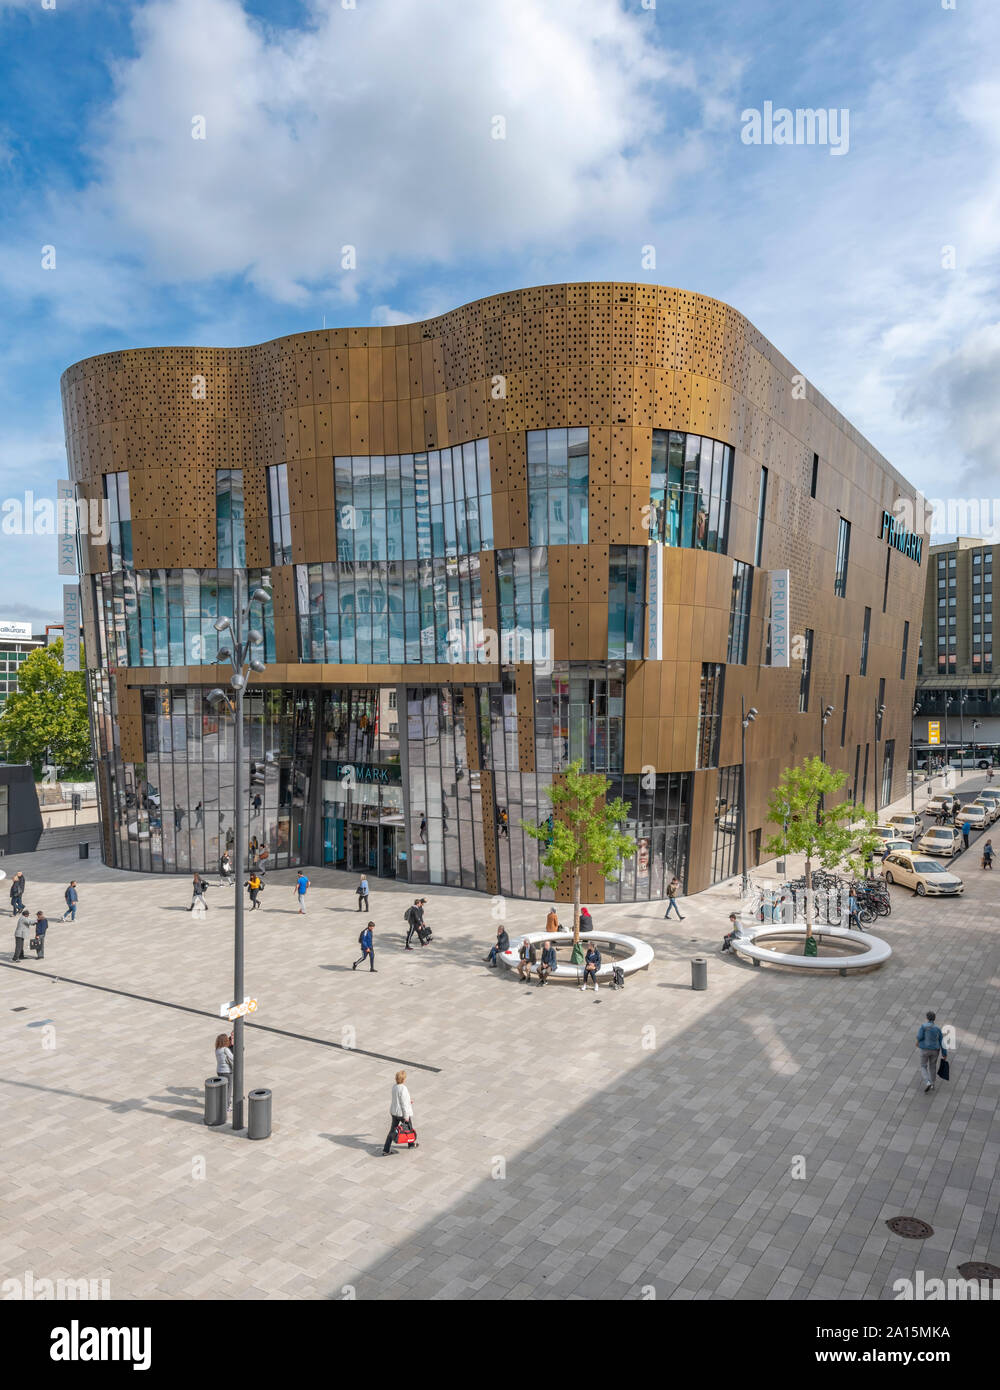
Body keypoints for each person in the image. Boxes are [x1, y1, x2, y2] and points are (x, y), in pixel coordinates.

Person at [381, 1069, 417, 1154]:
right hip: (402, 1113)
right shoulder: (403, 1089)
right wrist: (406, 1116)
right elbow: (403, 1104)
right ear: (403, 1079)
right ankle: (411, 1144)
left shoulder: (394, 1087)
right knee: (409, 1128)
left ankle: (386, 1149)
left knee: (392, 1130)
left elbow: (398, 1100)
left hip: (394, 1112)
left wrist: (408, 1101)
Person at [916, 1011, 948, 1093]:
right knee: (932, 1066)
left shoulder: (923, 1026)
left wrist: (918, 1041)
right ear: (934, 1018)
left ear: (927, 1018)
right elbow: (942, 1041)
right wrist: (944, 1054)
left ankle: (927, 1082)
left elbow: (919, 1037)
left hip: (925, 1050)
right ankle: (933, 1084)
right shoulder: (937, 1028)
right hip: (935, 1050)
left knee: (923, 1066)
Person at [215, 1032, 234, 1112]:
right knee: (228, 1090)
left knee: (223, 1089)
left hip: (219, 1071)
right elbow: (233, 1057)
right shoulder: (225, 1049)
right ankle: (227, 1106)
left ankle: (221, 1104)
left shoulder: (217, 1050)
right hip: (227, 1071)